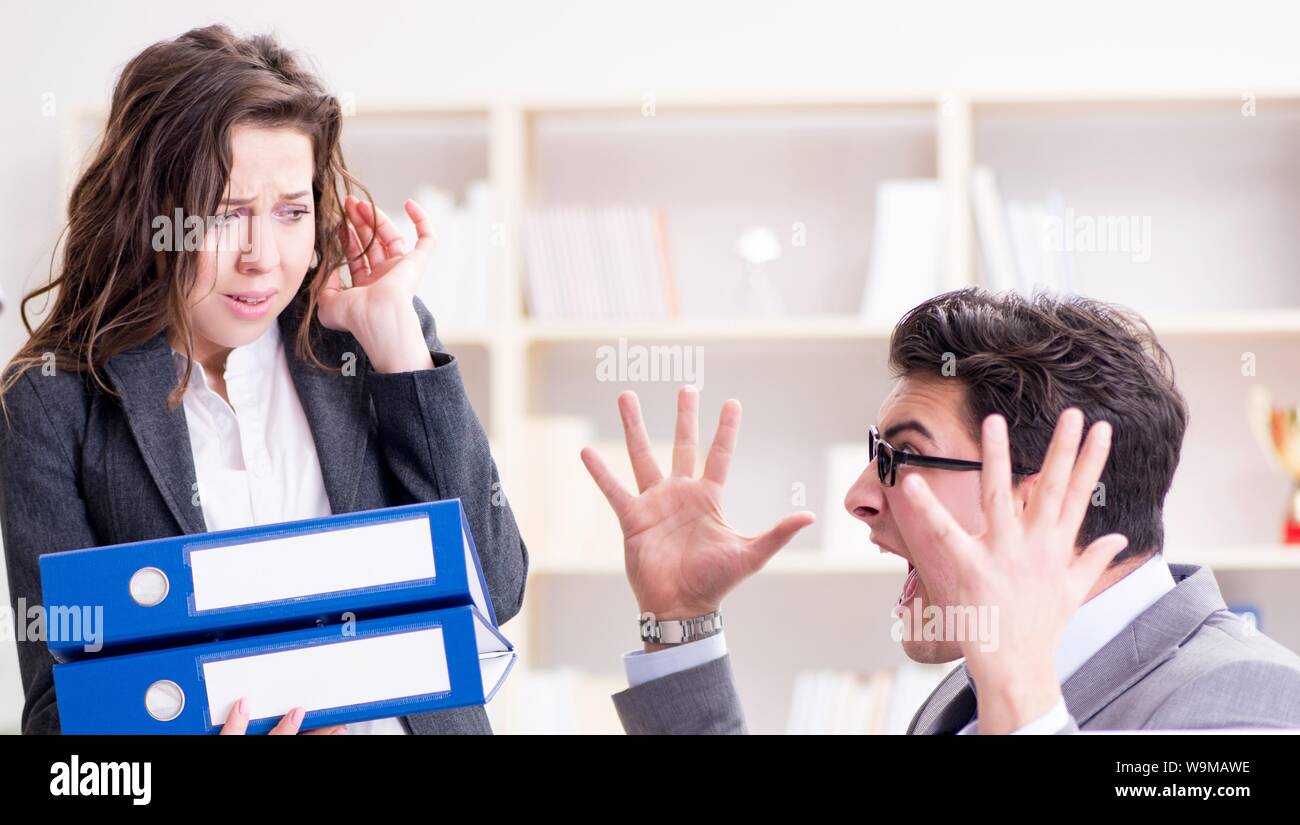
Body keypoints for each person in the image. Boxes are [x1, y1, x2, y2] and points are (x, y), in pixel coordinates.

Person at [0, 25, 528, 735]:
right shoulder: (52, 400)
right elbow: (60, 721)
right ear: (152, 214)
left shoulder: (368, 339)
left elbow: (496, 587)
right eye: (225, 214)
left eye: (291, 212)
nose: (263, 258)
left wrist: (396, 339)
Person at [582, 289, 1300, 733]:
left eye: (904, 455)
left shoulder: (1246, 697)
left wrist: (1016, 691)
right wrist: (680, 626)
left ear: (1041, 491)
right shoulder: (962, 695)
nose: (860, 495)